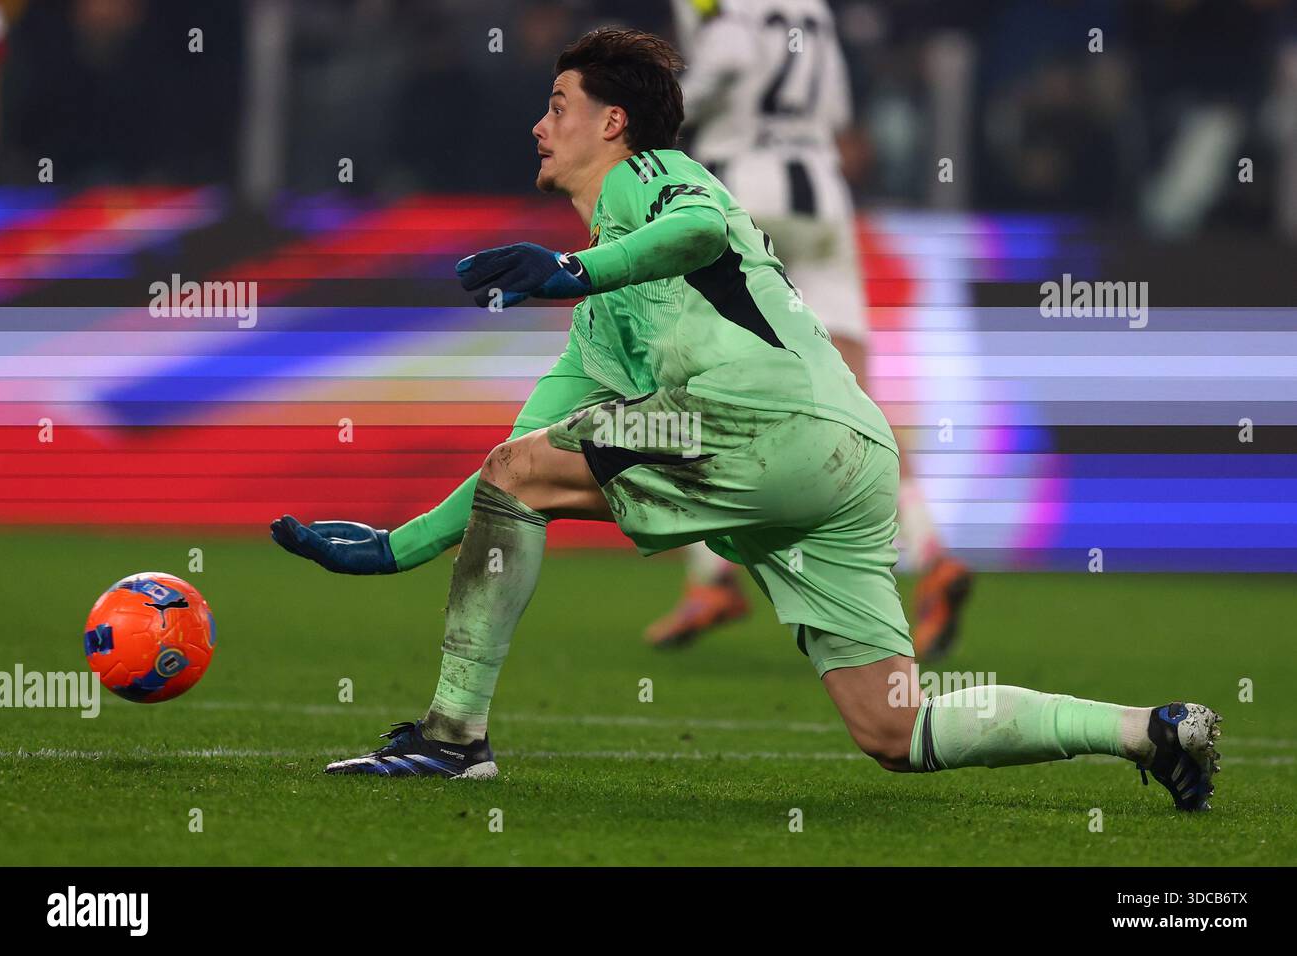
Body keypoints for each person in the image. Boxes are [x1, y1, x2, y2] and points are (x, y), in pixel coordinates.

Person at [271, 28, 1221, 812]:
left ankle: (452, 738)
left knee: (528, 474)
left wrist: (570, 271)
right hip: (848, 460)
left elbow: (701, 235)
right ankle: (1152, 729)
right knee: (896, 727)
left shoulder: (655, 176)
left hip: (762, 430)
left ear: (613, 122)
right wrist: (394, 548)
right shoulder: (604, 318)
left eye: (556, 105)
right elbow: (508, 468)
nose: (537, 125)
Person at [649, 0, 970, 657]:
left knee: (699, 384)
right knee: (856, 395)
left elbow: (722, 64)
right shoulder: (813, 9)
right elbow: (840, 116)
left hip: (740, 193)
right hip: (821, 195)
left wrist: (655, 121)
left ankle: (712, 577)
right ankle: (932, 553)